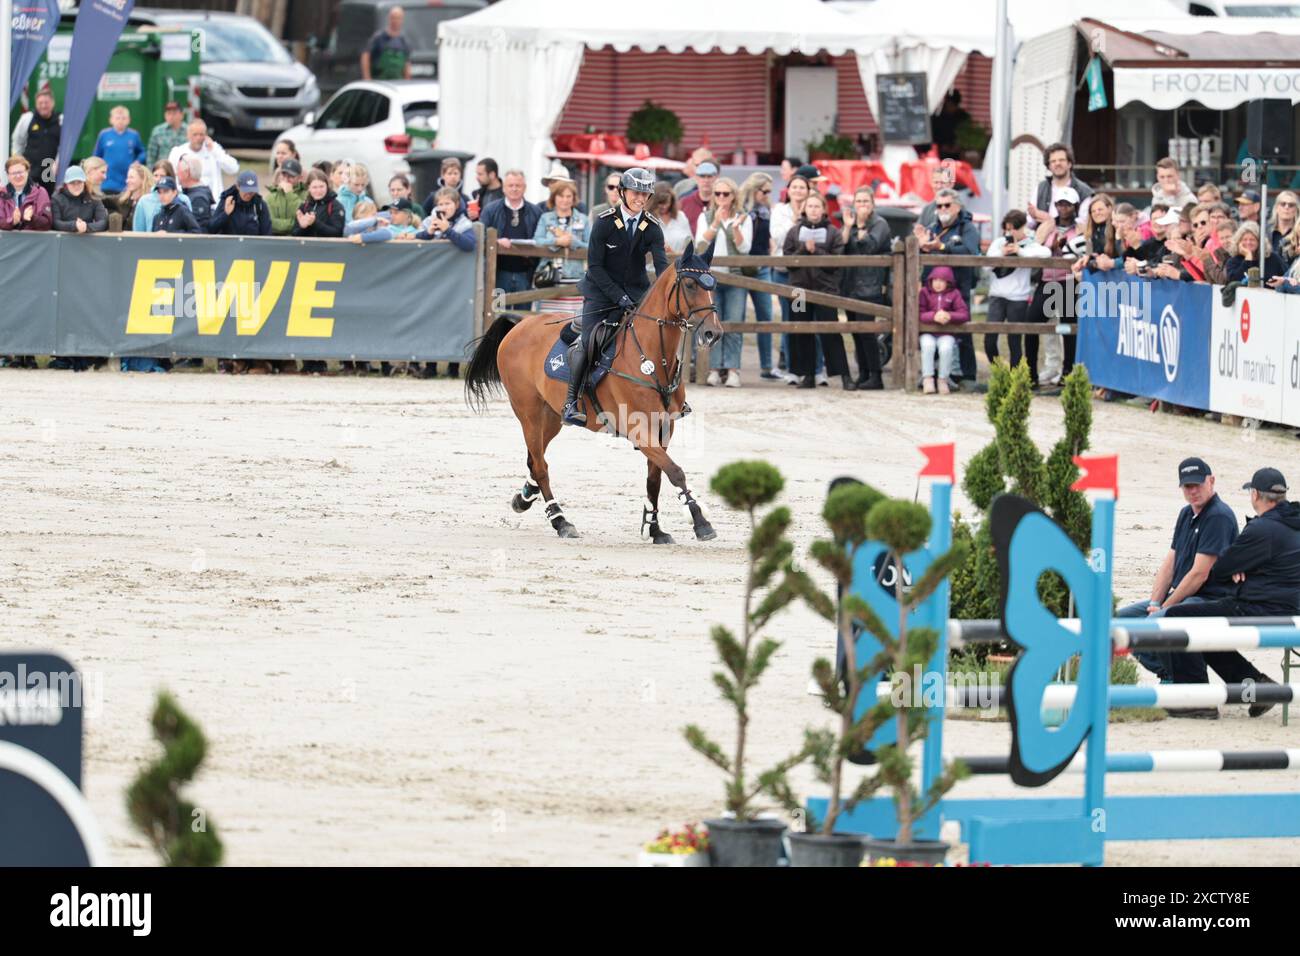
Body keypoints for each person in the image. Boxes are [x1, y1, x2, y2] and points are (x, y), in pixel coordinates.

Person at [1163, 467, 1300, 718]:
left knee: (1177, 618)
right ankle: (1256, 687)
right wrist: (1245, 566)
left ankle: (1196, 700)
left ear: (1255, 494)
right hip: (1290, 608)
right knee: (1205, 627)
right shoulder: (1293, 523)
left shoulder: (1263, 528)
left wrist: (1241, 567)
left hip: (1262, 608)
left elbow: (1221, 568)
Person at [1115, 458, 1239, 684]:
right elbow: (1169, 563)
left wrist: (1165, 607)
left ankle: (1179, 680)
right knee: (1121, 620)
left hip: (1210, 598)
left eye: (1197, 485)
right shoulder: (1185, 513)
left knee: (1154, 624)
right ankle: (1169, 672)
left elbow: (1199, 574)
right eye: (1187, 486)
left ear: (1211, 481)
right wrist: (1155, 602)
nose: (1193, 491)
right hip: (1185, 596)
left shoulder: (1218, 516)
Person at [563, 167, 666, 426]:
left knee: (661, 338)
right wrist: (618, 297)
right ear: (622, 192)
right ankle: (571, 401)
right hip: (600, 293)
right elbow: (595, 267)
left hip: (637, 294)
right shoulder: (604, 222)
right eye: (635, 193)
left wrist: (661, 295)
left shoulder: (652, 227)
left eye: (645, 194)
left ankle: (671, 396)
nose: (641, 199)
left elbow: (662, 266)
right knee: (588, 342)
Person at [782, 191, 854, 391]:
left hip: (825, 290)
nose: (813, 210)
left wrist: (817, 251)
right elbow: (787, 261)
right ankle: (807, 375)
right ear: (804, 208)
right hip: (799, 291)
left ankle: (844, 375)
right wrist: (804, 249)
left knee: (831, 332)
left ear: (824, 210)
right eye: (810, 206)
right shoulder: (794, 232)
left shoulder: (833, 232)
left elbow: (836, 263)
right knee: (801, 331)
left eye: (817, 206)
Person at [915, 188, 980, 384]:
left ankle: (967, 375)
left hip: (958, 287)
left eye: (947, 205)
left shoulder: (968, 228)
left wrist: (941, 247)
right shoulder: (932, 227)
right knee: (930, 328)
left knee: (962, 329)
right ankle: (934, 373)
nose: (942, 208)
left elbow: (970, 250)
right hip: (932, 289)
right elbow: (922, 253)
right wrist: (920, 245)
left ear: (958, 206)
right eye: (939, 205)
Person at [694, 175, 751, 387]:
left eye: (725, 194)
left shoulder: (744, 217)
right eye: (717, 194)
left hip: (735, 276)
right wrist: (716, 223)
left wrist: (735, 228)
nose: (721, 197)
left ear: (733, 195)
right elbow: (700, 244)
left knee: (734, 323)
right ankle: (715, 368)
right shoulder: (706, 217)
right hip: (711, 278)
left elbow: (745, 248)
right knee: (712, 324)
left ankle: (733, 370)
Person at [1028, 190, 1083, 388]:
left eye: (1067, 204)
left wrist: (1065, 247)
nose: (1063, 208)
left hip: (1069, 281)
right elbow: (1034, 247)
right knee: (1032, 322)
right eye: (1060, 204)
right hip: (1046, 280)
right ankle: (1030, 372)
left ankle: (1068, 371)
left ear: (1075, 206)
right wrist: (1052, 245)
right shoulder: (1047, 227)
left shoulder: (1080, 229)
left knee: (1069, 326)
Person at [841, 186, 893, 390]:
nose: (862, 205)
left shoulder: (880, 224)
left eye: (865, 201)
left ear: (872, 204)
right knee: (855, 332)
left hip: (870, 286)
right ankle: (863, 372)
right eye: (858, 201)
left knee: (867, 332)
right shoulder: (851, 224)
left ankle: (875, 374)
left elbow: (870, 246)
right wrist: (848, 227)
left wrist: (861, 228)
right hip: (851, 284)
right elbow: (841, 246)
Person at [983, 210, 1048, 372]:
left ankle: (1014, 376)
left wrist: (1020, 252)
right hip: (997, 295)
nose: (1009, 233)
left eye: (1013, 229)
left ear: (1022, 227)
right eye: (1007, 229)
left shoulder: (1030, 244)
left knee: (1014, 341)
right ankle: (999, 372)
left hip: (1018, 298)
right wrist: (1002, 254)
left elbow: (1045, 254)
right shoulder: (998, 243)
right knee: (989, 339)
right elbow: (985, 266)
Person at [479, 169, 543, 305]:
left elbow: (542, 238)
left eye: (518, 185)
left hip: (525, 274)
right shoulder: (490, 210)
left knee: (522, 319)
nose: (514, 189)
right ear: (503, 188)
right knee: (499, 315)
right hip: (498, 274)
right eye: (510, 185)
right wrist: (495, 242)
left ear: (524, 187)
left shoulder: (536, 212)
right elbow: (480, 237)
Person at [739, 172, 779, 381]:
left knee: (766, 316)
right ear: (755, 190)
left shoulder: (767, 211)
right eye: (765, 191)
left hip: (762, 264)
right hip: (741, 264)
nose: (768, 195)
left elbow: (768, 236)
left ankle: (767, 366)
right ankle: (730, 367)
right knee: (736, 317)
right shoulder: (742, 209)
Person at [917, 266, 968, 393]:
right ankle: (927, 378)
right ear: (930, 280)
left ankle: (942, 379)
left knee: (946, 349)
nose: (938, 284)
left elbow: (964, 314)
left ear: (948, 282)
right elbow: (919, 312)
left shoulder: (954, 294)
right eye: (935, 280)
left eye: (942, 281)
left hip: (946, 333)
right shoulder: (924, 292)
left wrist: (949, 315)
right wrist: (933, 316)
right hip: (927, 332)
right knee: (927, 346)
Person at [532, 178, 590, 285]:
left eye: (568, 196)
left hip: (576, 276)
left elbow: (592, 246)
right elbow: (537, 241)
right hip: (548, 277)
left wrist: (573, 242)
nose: (565, 200)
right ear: (554, 198)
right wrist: (557, 241)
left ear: (574, 199)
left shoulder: (584, 219)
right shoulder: (545, 218)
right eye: (561, 196)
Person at [168, 120, 237, 198]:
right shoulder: (177, 152)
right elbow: (170, 177)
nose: (198, 138)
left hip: (212, 203)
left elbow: (233, 169)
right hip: (186, 201)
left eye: (201, 134)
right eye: (195, 134)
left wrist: (215, 150)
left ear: (206, 135)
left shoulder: (213, 150)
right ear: (188, 135)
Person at [1028, 142, 1092, 224]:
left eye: (1061, 160)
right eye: (1053, 161)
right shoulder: (1040, 188)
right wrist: (1033, 216)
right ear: (1049, 166)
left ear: (1069, 164)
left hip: (1072, 236)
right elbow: (1030, 223)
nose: (1057, 163)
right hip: (1043, 235)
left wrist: (1049, 220)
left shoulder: (1084, 191)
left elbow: (1084, 222)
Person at [13, 89, 61, 189]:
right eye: (40, 103)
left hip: (49, 171)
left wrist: (57, 162)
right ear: (36, 104)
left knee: (47, 199)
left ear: (52, 103)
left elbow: (64, 146)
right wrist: (18, 162)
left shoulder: (60, 121)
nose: (43, 106)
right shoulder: (27, 118)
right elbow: (17, 141)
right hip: (29, 169)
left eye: (46, 103)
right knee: (28, 198)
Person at [93, 106, 146, 194]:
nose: (120, 121)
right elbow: (96, 156)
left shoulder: (133, 135)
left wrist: (138, 161)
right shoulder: (104, 135)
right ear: (111, 120)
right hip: (108, 182)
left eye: (123, 118)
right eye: (117, 118)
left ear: (128, 120)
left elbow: (142, 152)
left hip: (127, 182)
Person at [133, 161, 194, 233]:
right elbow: (138, 231)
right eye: (155, 175)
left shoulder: (184, 200)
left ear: (170, 177)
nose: (158, 179)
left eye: (162, 176)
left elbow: (192, 230)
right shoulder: (144, 201)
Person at [211, 170, 272, 236]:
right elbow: (212, 229)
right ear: (238, 186)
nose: (249, 194)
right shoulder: (227, 201)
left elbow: (267, 234)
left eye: (252, 191)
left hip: (252, 245)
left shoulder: (260, 205)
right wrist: (225, 214)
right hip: (229, 244)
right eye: (246, 190)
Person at [51, 165, 107, 235]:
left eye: (79, 182)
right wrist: (74, 226)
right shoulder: (56, 198)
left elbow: (103, 222)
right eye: (72, 183)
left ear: (84, 182)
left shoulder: (93, 198)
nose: (76, 186)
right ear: (66, 184)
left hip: (88, 242)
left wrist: (86, 227)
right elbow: (56, 223)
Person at [361, 5, 412, 81]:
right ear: (389, 18)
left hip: (397, 83)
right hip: (379, 82)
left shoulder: (404, 41)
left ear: (402, 20)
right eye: (393, 18)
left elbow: (407, 64)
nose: (395, 21)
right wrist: (367, 79)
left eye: (398, 18)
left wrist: (407, 81)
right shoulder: (379, 38)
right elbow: (365, 56)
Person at [105, 162, 152, 232]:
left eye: (131, 177)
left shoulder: (149, 202)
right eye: (127, 177)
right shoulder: (123, 199)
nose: (127, 181)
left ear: (143, 179)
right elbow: (103, 199)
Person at [346, 199, 418, 243]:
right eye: (390, 212)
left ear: (408, 215)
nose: (391, 216)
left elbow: (387, 233)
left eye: (396, 213)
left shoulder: (417, 232)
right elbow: (349, 228)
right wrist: (374, 220)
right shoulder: (385, 227)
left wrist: (362, 237)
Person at [649, 183, 691, 255]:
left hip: (678, 263)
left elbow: (690, 243)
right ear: (654, 202)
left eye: (667, 202)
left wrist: (674, 254)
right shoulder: (646, 218)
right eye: (661, 203)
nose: (664, 206)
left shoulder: (680, 216)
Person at [175, 154, 214, 232]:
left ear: (187, 173)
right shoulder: (189, 194)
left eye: (178, 170)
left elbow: (198, 230)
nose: (176, 173)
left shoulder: (199, 199)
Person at [267, 159, 306, 235]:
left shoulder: (306, 194)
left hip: (299, 240)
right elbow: (269, 223)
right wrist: (295, 224)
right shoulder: (271, 196)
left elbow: (304, 216)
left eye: (291, 176)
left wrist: (290, 194)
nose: (286, 179)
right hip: (275, 241)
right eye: (284, 175)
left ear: (300, 178)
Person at [930, 90, 970, 161]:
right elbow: (932, 136)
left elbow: (968, 136)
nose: (950, 108)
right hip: (939, 155)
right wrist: (941, 146)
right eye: (949, 104)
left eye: (953, 105)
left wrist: (960, 146)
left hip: (958, 156)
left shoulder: (963, 117)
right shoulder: (937, 116)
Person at [679, 160, 718, 233]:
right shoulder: (684, 202)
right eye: (702, 176)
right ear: (696, 178)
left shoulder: (722, 201)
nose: (706, 180)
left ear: (716, 178)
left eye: (709, 176)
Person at [147, 101, 188, 167]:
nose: (171, 116)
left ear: (182, 115)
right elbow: (151, 157)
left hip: (183, 170)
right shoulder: (158, 131)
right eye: (168, 113)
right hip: (163, 171)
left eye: (174, 113)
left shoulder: (188, 130)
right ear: (165, 115)